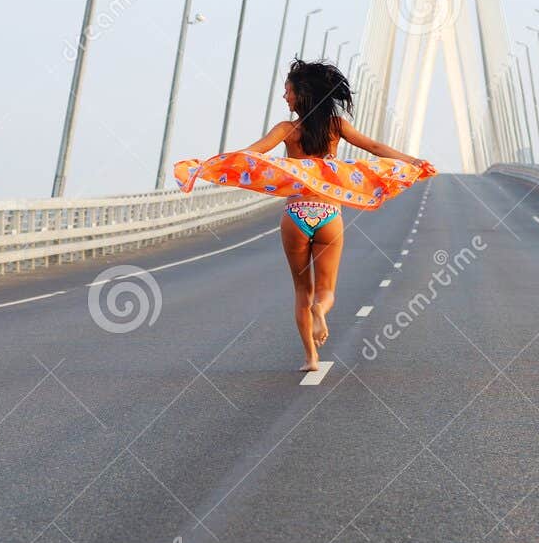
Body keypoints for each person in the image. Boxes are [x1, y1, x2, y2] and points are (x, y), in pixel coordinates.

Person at [174, 59, 435, 371]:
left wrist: (209, 166)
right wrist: (414, 161)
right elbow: (376, 148)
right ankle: (320, 311)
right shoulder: (337, 128)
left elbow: (251, 155)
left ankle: (311, 357)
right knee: (325, 292)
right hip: (328, 214)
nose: (285, 97)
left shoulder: (287, 130)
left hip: (296, 214)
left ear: (302, 95)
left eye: (288, 92)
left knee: (301, 289)